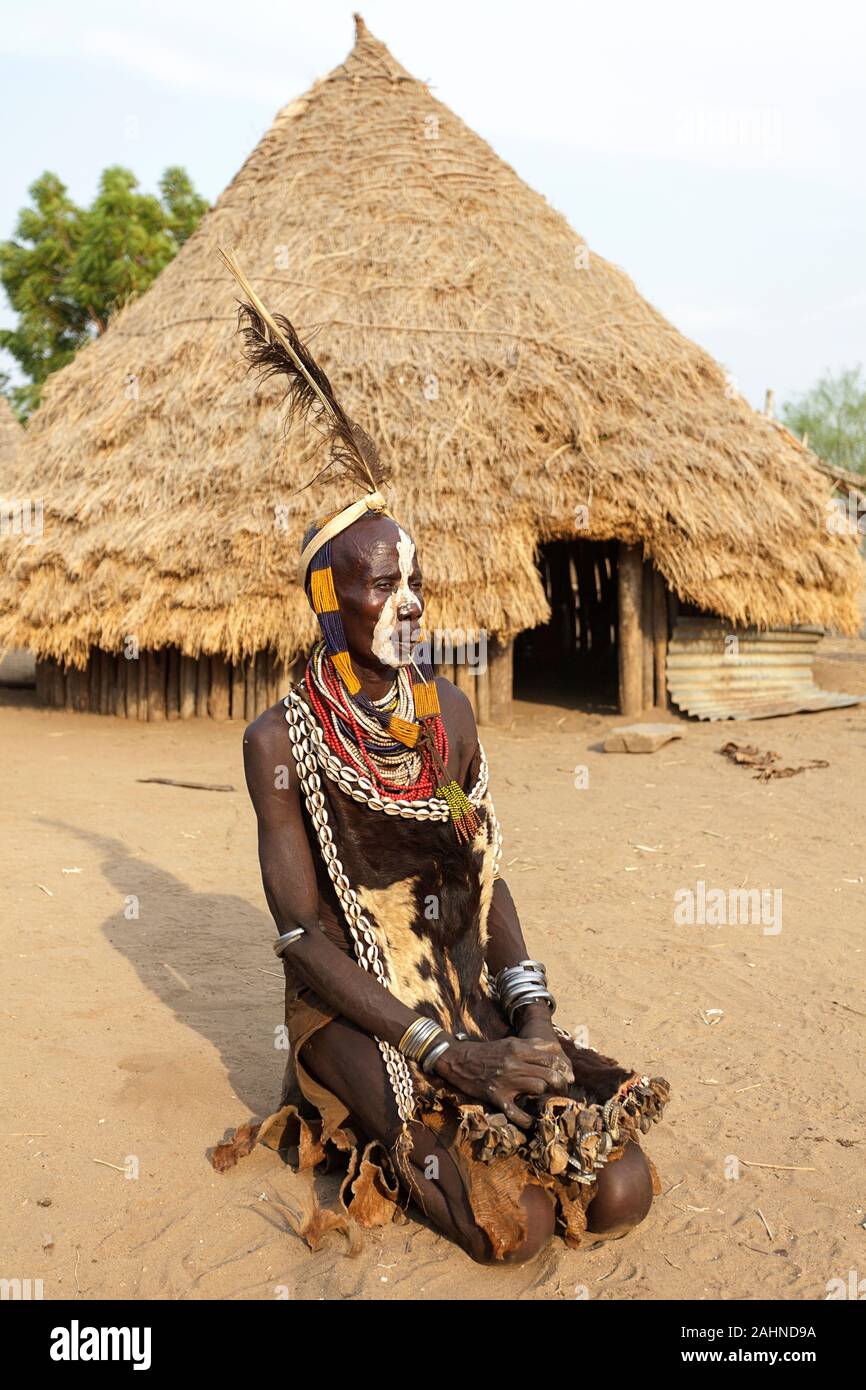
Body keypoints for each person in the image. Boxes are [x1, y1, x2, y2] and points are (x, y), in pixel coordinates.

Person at [216, 255, 670, 1263]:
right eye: (383, 585)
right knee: (516, 1225)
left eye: (414, 580)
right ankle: (350, 1102)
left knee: (621, 1186)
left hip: (454, 972)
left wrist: (532, 1017)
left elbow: (482, 868)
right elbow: (299, 933)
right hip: (351, 998)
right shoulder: (278, 742)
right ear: (330, 601)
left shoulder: (448, 716)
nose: (410, 602)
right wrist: (440, 1052)